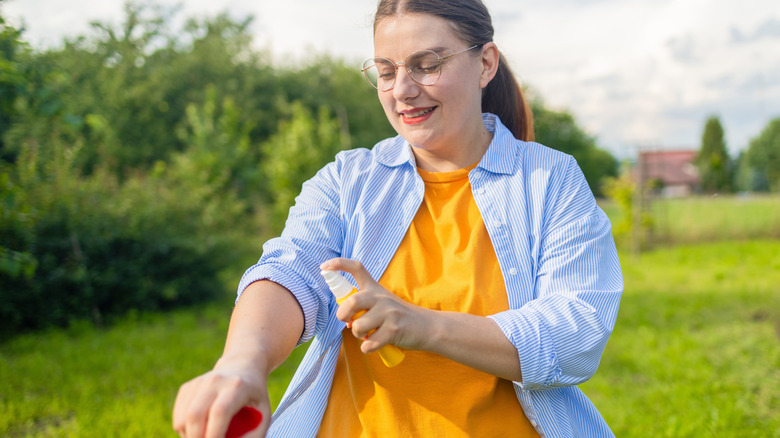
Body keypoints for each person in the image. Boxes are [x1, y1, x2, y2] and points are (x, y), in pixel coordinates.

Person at [173, 0, 623, 436]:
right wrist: (241, 364)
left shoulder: (551, 179)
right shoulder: (348, 179)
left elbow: (575, 332)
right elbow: (290, 270)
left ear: (485, 63)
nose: (402, 90)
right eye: (386, 71)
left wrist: (421, 325)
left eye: (427, 64)